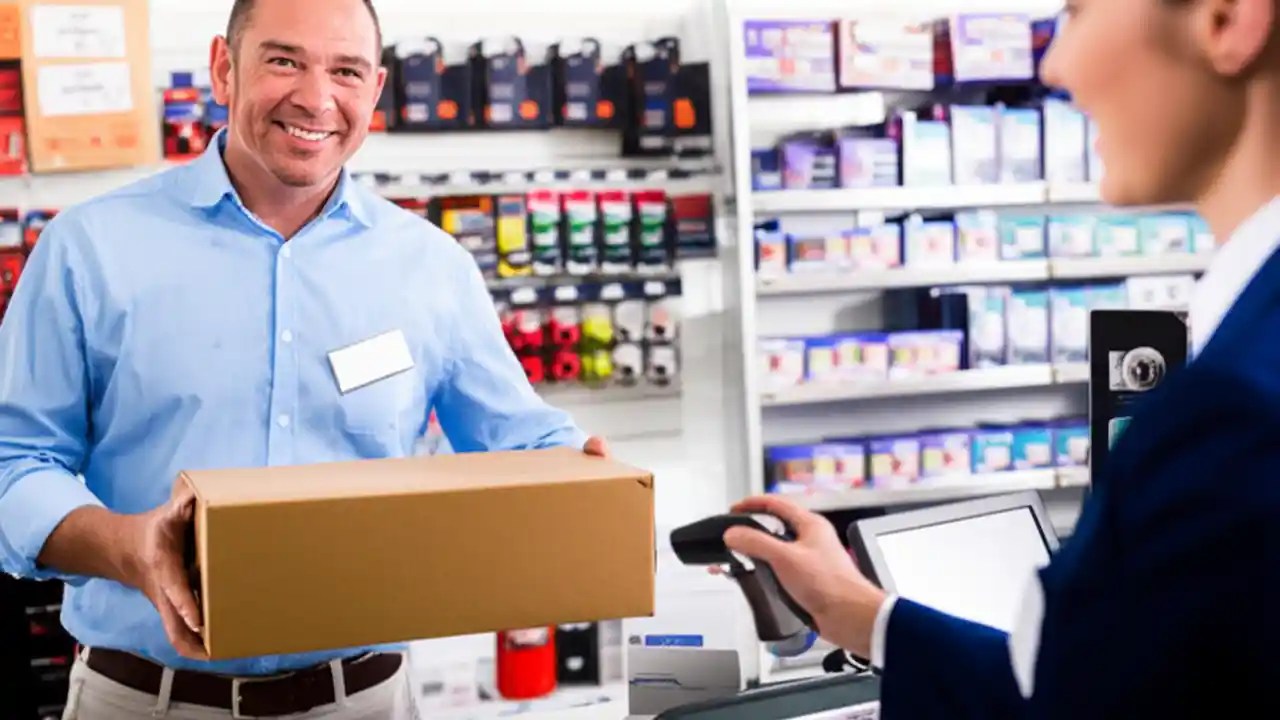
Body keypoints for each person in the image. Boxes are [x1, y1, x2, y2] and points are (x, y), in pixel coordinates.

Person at [0, 0, 607, 717]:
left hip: (364, 700)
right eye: (284, 60)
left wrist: (584, 472)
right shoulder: (90, 248)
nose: (316, 99)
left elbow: (518, 439)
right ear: (224, 68)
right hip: (145, 700)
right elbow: (15, 462)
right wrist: (130, 548)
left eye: (345, 70)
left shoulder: (429, 266)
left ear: (376, 90)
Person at [724, 0, 1280, 717]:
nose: (1054, 66)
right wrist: (870, 618)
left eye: (1077, 13)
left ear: (1227, 20)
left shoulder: (1233, 406)